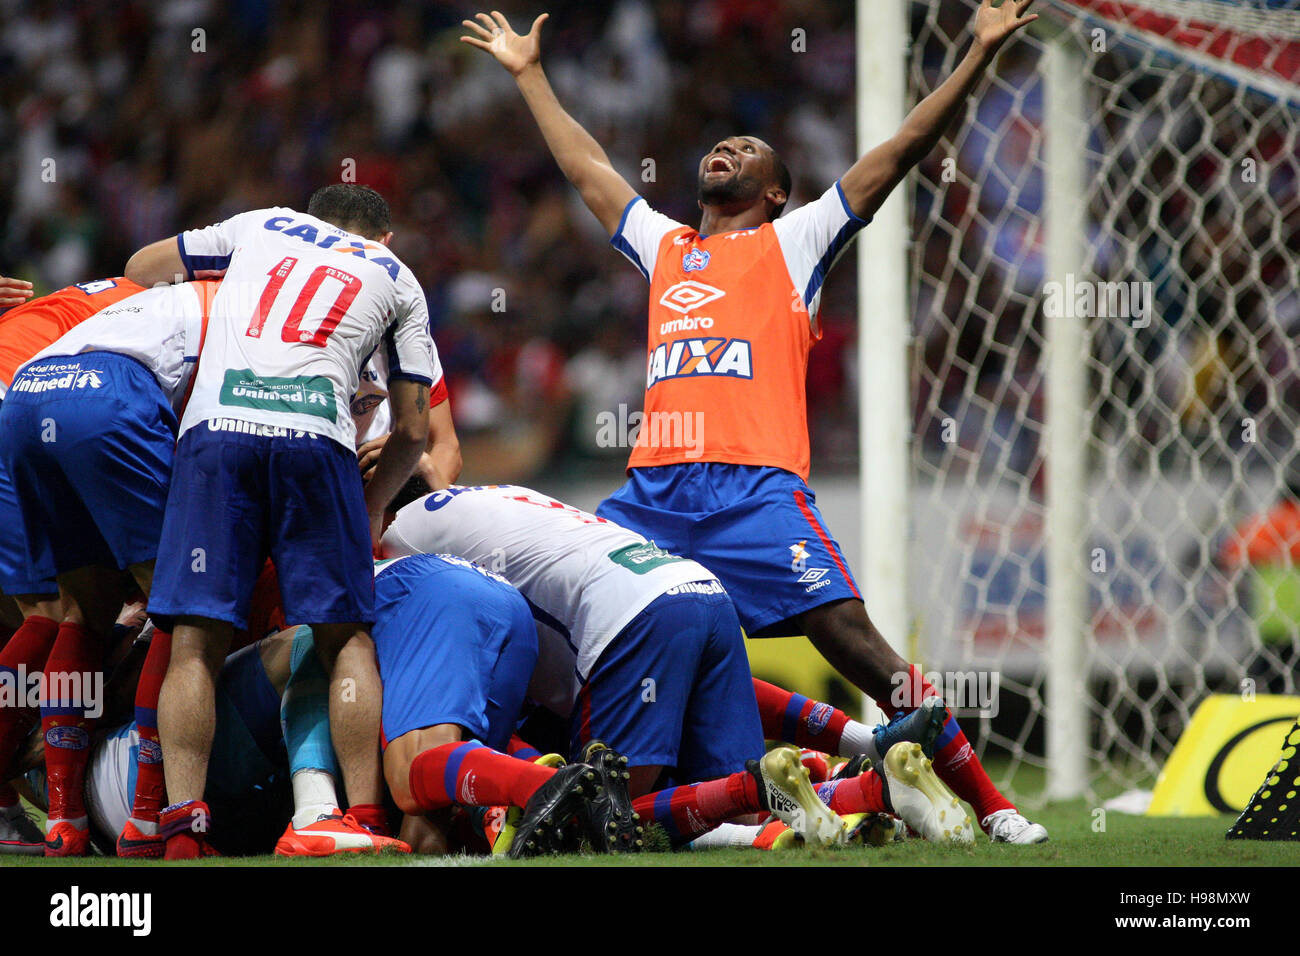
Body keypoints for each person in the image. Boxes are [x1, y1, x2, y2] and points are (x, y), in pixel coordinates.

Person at [461, 3, 1047, 843]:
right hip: (652, 497)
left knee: (854, 639)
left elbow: (900, 150)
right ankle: (523, 787)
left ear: (775, 192)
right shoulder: (665, 247)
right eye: (718, 147)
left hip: (753, 490)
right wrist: (530, 76)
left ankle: (990, 802)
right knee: (559, 616)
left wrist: (979, 52)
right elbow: (590, 169)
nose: (724, 149)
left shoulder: (798, 240)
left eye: (747, 151)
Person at [124, 183, 436, 857]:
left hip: (215, 435)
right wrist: (372, 501)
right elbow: (413, 429)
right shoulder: (398, 276)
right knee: (343, 638)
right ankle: (361, 822)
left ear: (311, 219)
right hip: (315, 438)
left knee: (195, 641)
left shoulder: (264, 225)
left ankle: (181, 826)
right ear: (382, 239)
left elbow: (142, 267)